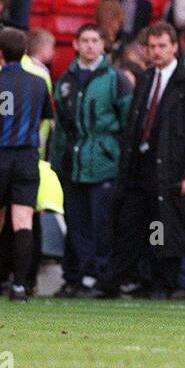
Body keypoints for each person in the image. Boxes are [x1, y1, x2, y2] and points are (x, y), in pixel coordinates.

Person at [101, 22, 185, 300]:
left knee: (162, 225)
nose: (157, 51)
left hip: (170, 167)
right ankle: (126, 279)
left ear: (175, 47)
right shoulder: (146, 78)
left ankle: (162, 281)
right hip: (141, 165)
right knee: (135, 223)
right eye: (152, 46)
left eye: (162, 46)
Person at [0, 27, 52, 302]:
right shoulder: (39, 83)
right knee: (23, 221)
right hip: (27, 157)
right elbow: (45, 120)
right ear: (26, 51)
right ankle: (19, 286)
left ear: (0, 53)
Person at [51, 23, 132, 298]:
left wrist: (121, 160)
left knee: (102, 225)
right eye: (84, 40)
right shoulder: (65, 81)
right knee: (77, 225)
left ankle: (101, 278)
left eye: (94, 40)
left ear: (103, 45)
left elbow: (127, 124)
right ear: (75, 44)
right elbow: (61, 127)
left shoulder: (116, 80)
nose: (89, 46)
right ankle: (80, 276)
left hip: (105, 163)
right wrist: (56, 163)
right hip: (73, 164)